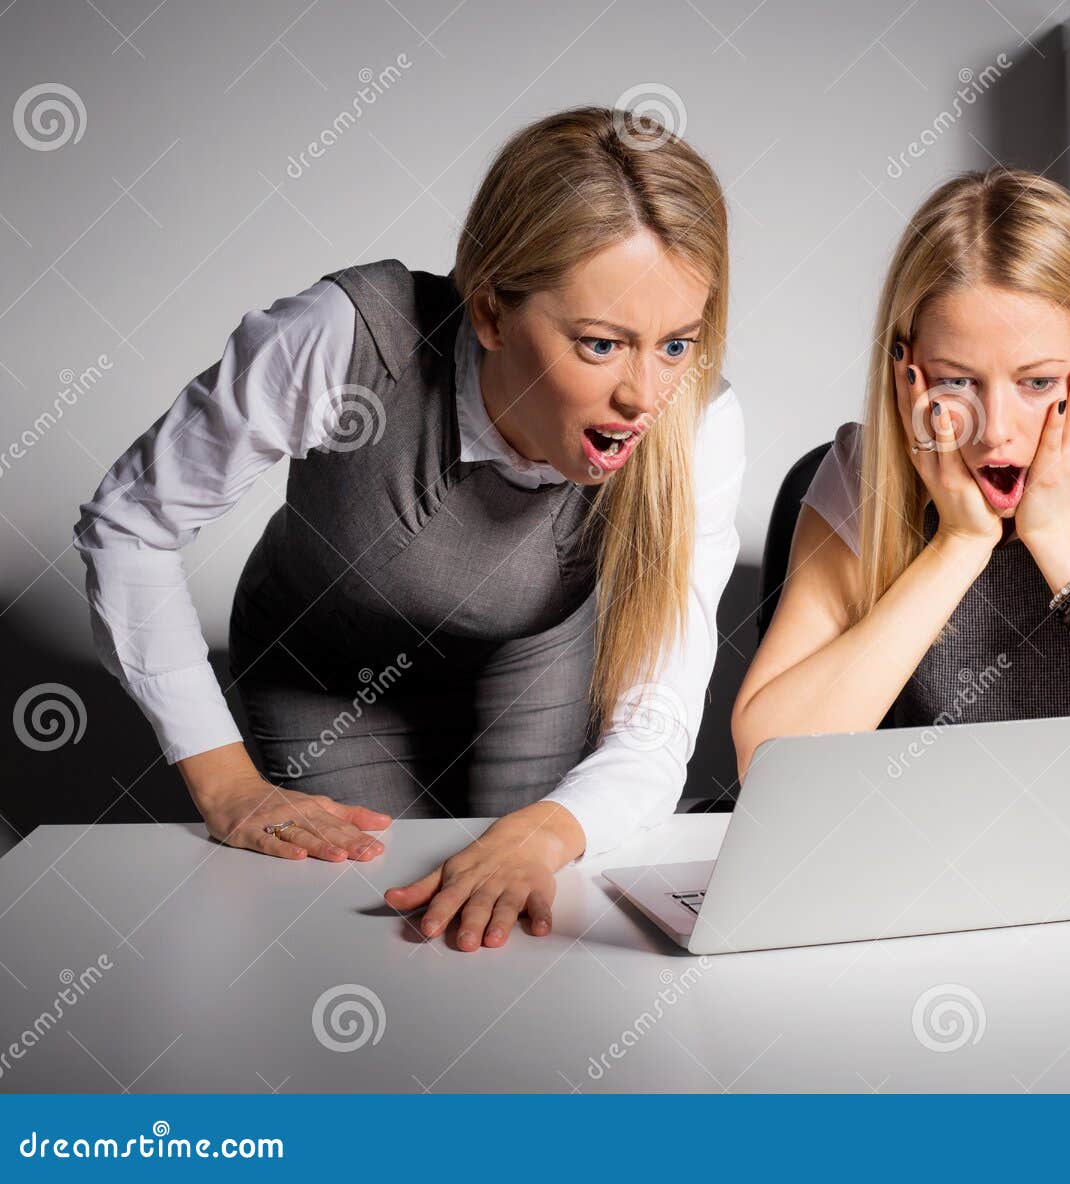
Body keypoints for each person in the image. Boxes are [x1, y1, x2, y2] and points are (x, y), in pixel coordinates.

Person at [74, 107, 744, 950]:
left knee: (521, 933)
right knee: (370, 933)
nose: (645, 396)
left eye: (676, 345)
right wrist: (224, 783)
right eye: (602, 344)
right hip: (326, 677)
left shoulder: (700, 424)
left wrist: (545, 832)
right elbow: (131, 524)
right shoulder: (344, 339)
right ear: (493, 309)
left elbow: (657, 720)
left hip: (530, 665)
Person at [732, 166, 1070, 822]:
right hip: (925, 869)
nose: (997, 432)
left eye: (1038, 382)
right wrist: (957, 544)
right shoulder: (861, 473)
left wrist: (1060, 536)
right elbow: (768, 765)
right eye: (957, 381)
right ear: (906, 371)